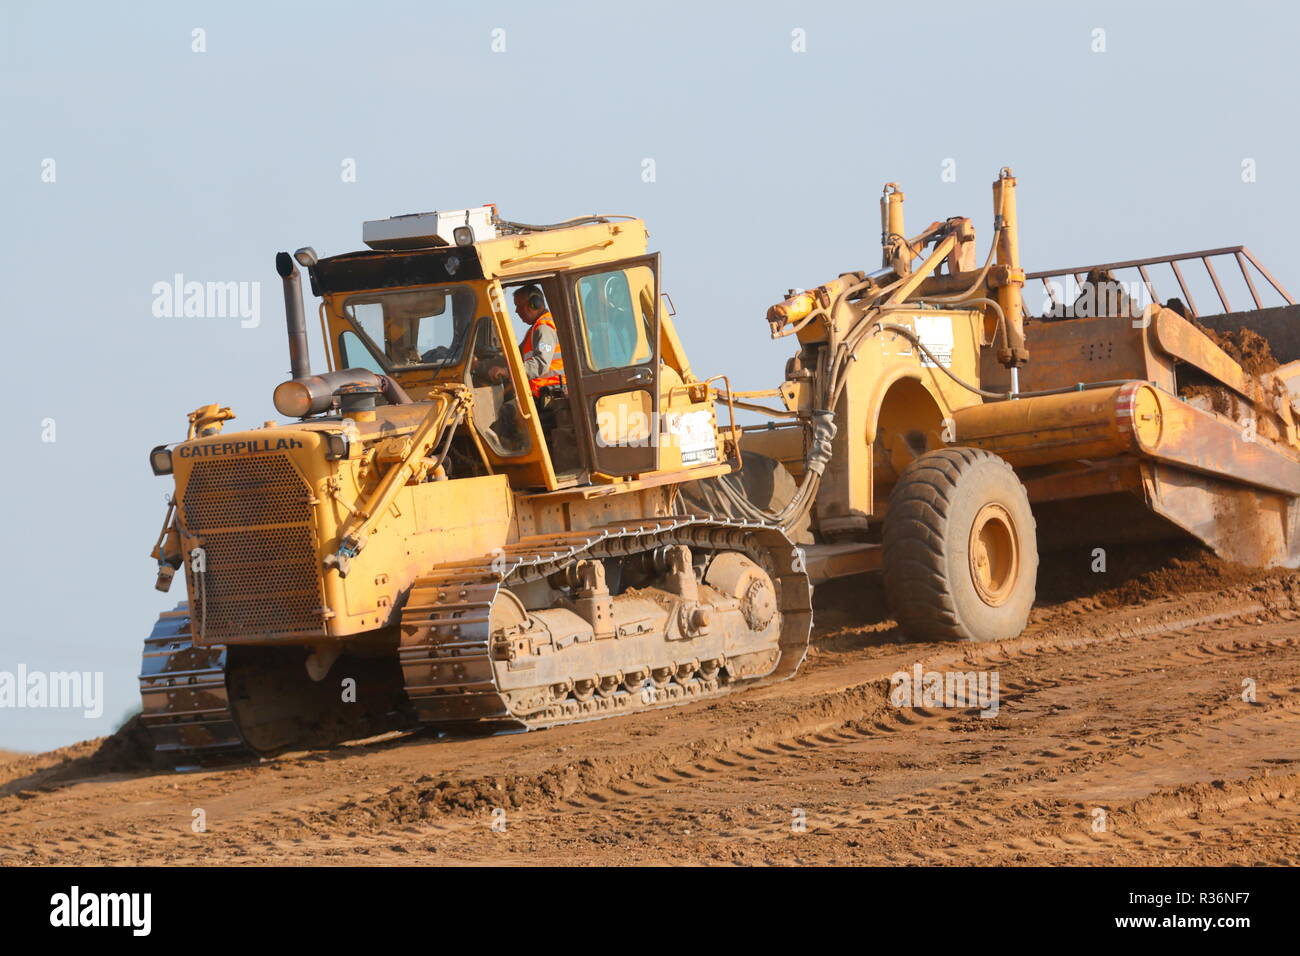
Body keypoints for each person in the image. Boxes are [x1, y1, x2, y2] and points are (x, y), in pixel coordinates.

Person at [487, 285, 566, 399]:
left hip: (552, 394)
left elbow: (541, 364)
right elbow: (515, 357)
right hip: (540, 393)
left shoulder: (544, 328)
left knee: (506, 412)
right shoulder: (534, 330)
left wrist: (507, 371)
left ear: (535, 303)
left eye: (519, 306)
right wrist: (481, 364)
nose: (516, 311)